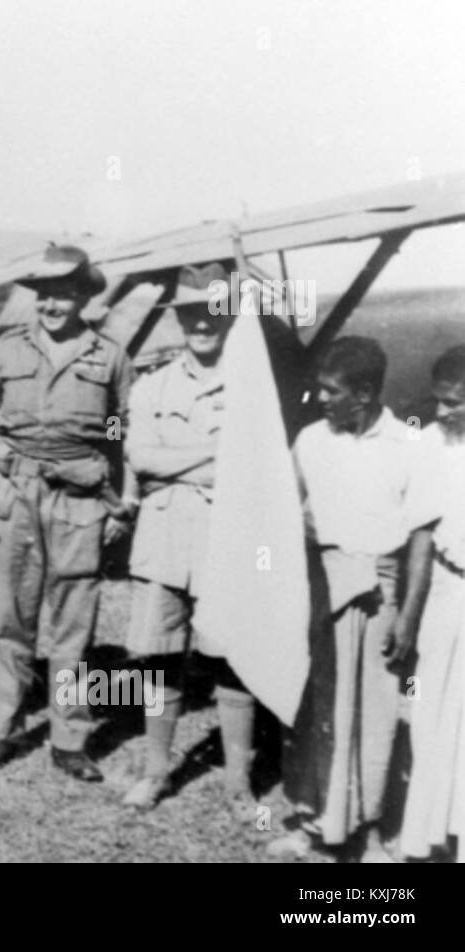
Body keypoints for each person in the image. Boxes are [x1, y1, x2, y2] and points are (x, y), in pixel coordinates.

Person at [0, 244, 132, 783]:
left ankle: (68, 738)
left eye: (63, 294)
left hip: (80, 497)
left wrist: (117, 504)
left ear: (84, 296)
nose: (52, 305)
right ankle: (4, 730)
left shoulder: (108, 356)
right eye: (44, 295)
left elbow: (118, 431)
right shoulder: (5, 350)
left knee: (72, 628)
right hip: (18, 492)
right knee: (11, 620)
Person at [271, 337, 436, 861]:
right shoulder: (311, 442)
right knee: (315, 709)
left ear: (363, 393)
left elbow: (419, 540)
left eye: (330, 390)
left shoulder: (408, 448)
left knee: (374, 711)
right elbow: (282, 519)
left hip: (379, 596)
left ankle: (364, 832)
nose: (320, 398)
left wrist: (406, 617)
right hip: (320, 587)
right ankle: (308, 819)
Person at [120, 264, 256, 809]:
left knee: (231, 659)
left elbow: (253, 466)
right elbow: (140, 458)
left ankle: (239, 782)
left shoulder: (252, 384)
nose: (204, 323)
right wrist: (215, 456)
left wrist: (179, 464)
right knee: (158, 656)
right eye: (192, 313)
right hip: (164, 537)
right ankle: (156, 771)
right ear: (177, 318)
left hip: (227, 538)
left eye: (214, 311)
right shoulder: (152, 383)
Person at [398, 345, 465, 861]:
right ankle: (428, 834)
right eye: (439, 401)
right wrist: (409, 617)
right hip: (447, 590)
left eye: (454, 403)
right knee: (431, 715)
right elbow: (420, 535)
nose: (441, 413)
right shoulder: (429, 445)